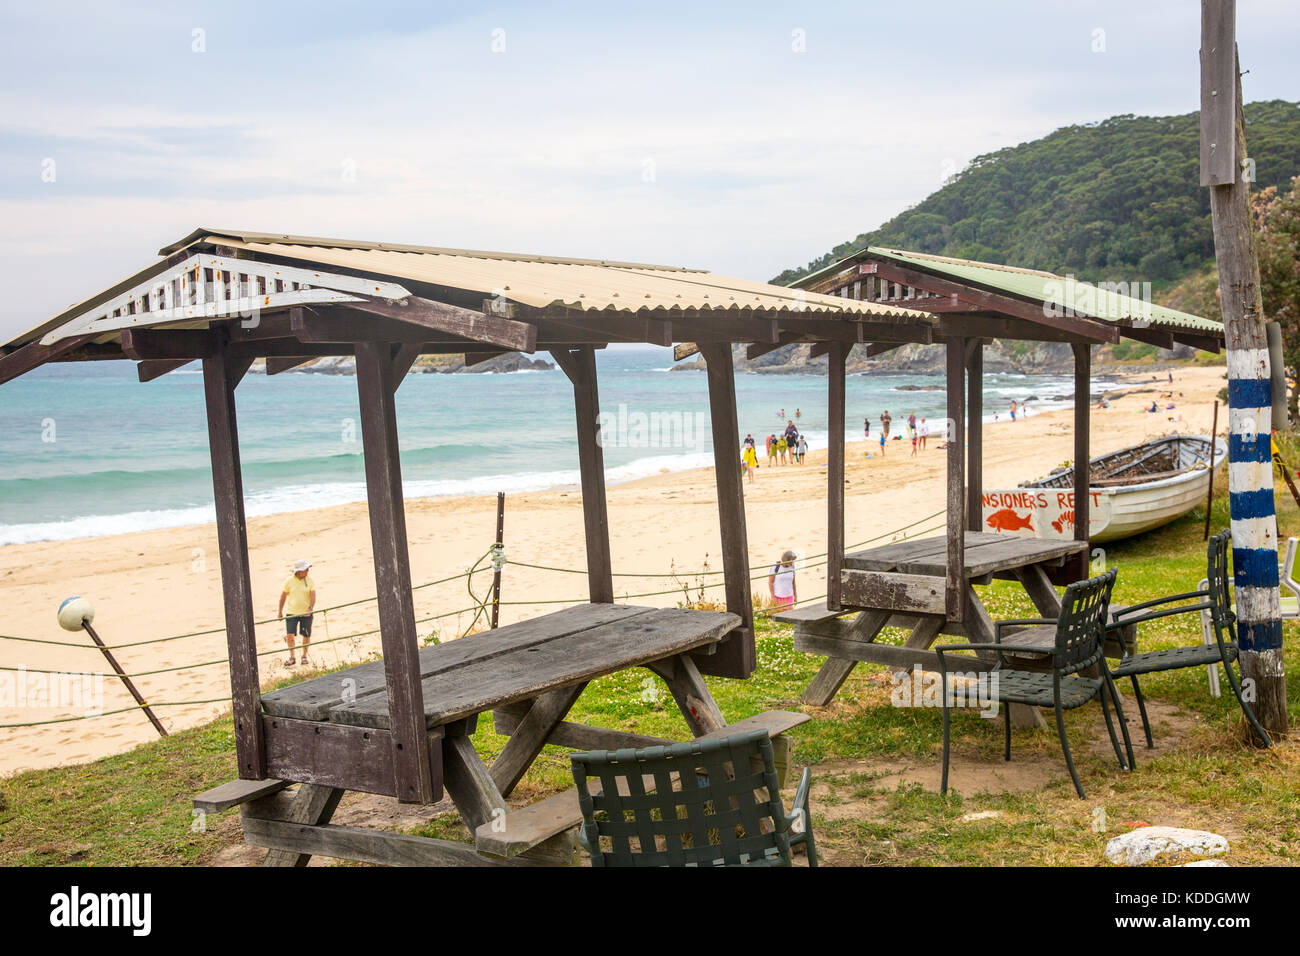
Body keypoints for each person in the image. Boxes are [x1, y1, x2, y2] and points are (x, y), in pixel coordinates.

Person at [278, 559, 317, 666]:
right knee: (290, 635)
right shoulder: (289, 581)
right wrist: (280, 611)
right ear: (299, 571)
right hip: (292, 613)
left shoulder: (310, 581)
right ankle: (292, 657)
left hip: (306, 613)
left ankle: (304, 656)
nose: (308, 571)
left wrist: (310, 608)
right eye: (306, 569)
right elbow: (283, 596)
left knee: (306, 634)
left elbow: (313, 596)